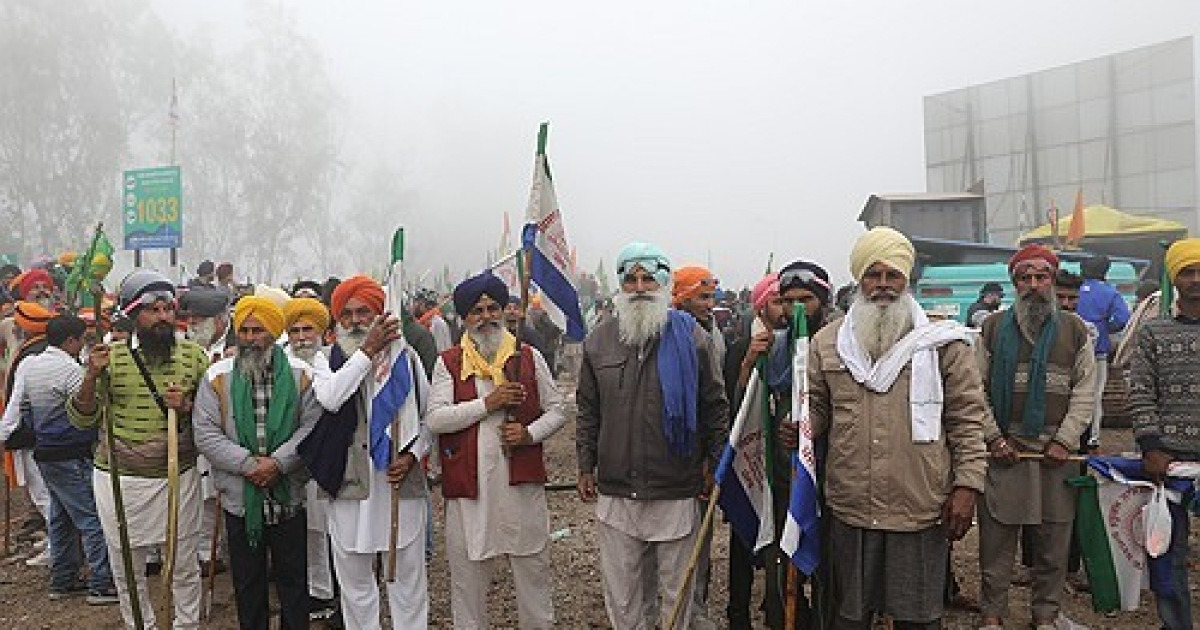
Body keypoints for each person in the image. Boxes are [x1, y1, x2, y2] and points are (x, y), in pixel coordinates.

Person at [807, 227, 988, 629]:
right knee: (850, 617)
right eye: (874, 275)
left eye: (893, 275)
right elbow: (819, 406)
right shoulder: (826, 344)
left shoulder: (944, 343)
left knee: (918, 619)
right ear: (859, 279)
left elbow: (967, 419)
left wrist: (967, 485)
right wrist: (802, 426)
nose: (883, 285)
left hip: (919, 505)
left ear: (907, 279)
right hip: (851, 505)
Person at [576, 242, 729, 630]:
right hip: (616, 486)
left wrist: (715, 462)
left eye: (649, 278)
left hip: (675, 485)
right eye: (632, 279)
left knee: (677, 592)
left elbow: (714, 405)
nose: (641, 287)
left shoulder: (692, 337)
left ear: (664, 284)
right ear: (621, 286)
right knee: (624, 597)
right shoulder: (599, 341)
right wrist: (584, 465)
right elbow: (588, 410)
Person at [68, 269, 210, 629]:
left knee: (183, 563)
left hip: (179, 477)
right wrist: (90, 377)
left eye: (168, 308)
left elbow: (213, 419)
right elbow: (82, 420)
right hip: (121, 481)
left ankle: (187, 625)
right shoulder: (108, 358)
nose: (163, 316)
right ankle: (139, 625)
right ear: (133, 315)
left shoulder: (194, 356)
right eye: (154, 309)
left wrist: (189, 407)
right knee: (126, 567)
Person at [427, 272, 567, 628]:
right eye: (477, 311)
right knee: (468, 584)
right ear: (464, 317)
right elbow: (437, 420)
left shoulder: (528, 356)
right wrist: (488, 404)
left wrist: (529, 434)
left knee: (533, 574)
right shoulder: (450, 362)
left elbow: (558, 409)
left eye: (493, 308)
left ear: (505, 310)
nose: (486, 316)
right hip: (470, 491)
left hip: (520, 485)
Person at [297, 274, 432, 630]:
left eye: (364, 313)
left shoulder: (407, 359)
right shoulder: (325, 359)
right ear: (336, 319)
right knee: (355, 585)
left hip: (398, 481)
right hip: (349, 483)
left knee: (408, 581)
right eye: (347, 314)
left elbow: (429, 414)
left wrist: (413, 455)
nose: (355, 321)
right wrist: (367, 351)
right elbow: (331, 398)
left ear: (379, 315)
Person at [975, 244, 1096, 630]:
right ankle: (992, 615)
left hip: (1055, 455)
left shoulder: (1075, 329)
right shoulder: (992, 327)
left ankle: (1045, 615)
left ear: (1052, 280)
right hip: (1005, 451)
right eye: (1024, 278)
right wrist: (994, 438)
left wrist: (1064, 440)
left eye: (1041, 277)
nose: (1033, 284)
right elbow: (974, 390)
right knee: (996, 544)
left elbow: (1085, 392)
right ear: (1014, 284)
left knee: (1053, 543)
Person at [193, 296, 322, 630]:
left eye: (258, 330)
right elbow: (205, 434)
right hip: (240, 499)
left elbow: (312, 428)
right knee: (248, 586)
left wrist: (278, 464)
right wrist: (250, 465)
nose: (250, 338)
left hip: (288, 496)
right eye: (244, 330)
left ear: (273, 333)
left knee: (293, 583)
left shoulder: (301, 375)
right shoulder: (216, 377)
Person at [724, 260, 835, 629]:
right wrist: (750, 364)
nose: (795, 310)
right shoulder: (776, 350)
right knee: (781, 577)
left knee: (828, 578)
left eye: (806, 299)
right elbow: (748, 405)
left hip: (833, 479)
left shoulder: (841, 344)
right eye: (787, 301)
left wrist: (811, 429)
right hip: (784, 479)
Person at [4, 314, 117, 603]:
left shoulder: (31, 366)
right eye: (81, 340)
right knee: (91, 517)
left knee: (61, 517)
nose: (82, 345)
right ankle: (101, 582)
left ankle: (63, 578)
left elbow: (20, 408)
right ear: (70, 341)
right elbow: (85, 411)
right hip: (72, 453)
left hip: (45, 453)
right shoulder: (71, 371)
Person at [1129, 238, 1200, 630]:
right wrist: (1151, 446)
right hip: (1169, 461)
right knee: (1170, 557)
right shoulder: (1154, 332)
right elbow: (1141, 391)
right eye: (1187, 272)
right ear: (1175, 278)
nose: (1195, 280)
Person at [281, 296, 340, 620]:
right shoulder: (277, 363)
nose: (302, 337)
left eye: (308, 330)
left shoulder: (332, 361)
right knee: (295, 528)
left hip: (323, 455)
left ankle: (324, 592)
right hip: (287, 455)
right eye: (296, 330)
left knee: (322, 526)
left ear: (322, 333)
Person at [179, 286, 233, 576]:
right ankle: (205, 554)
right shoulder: (186, 350)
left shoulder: (238, 347)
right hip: (196, 438)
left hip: (232, 438)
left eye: (199, 320)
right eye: (190, 320)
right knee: (203, 497)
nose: (192, 326)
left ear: (221, 320)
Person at [0, 301, 56, 566]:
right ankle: (55, 540)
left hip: (34, 435)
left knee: (43, 493)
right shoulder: (38, 349)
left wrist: (4, 433)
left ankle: (57, 548)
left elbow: (19, 400)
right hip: (41, 434)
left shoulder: (33, 356)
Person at [1075, 254, 1129, 450]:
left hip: (1069, 349)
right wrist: (1106, 329)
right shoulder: (1109, 292)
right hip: (1097, 351)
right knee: (1094, 394)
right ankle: (1093, 436)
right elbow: (1123, 319)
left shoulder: (1073, 289)